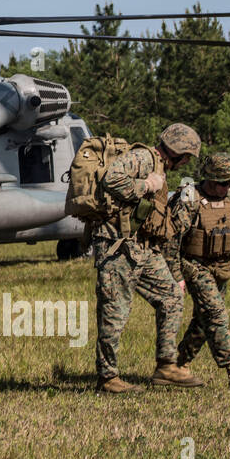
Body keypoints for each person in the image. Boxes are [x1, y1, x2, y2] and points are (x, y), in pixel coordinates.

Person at [93, 122, 204, 393]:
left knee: (171, 296)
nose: (187, 162)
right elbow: (111, 179)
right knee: (115, 312)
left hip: (143, 248)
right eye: (187, 156)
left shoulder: (160, 166)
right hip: (117, 248)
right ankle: (108, 378)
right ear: (177, 151)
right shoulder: (143, 158)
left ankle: (166, 366)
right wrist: (146, 185)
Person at [168, 152, 230, 389]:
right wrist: (177, 275)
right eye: (222, 183)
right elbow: (171, 240)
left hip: (222, 266)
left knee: (202, 320)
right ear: (210, 179)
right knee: (217, 314)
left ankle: (178, 365)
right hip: (195, 266)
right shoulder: (190, 199)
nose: (226, 188)